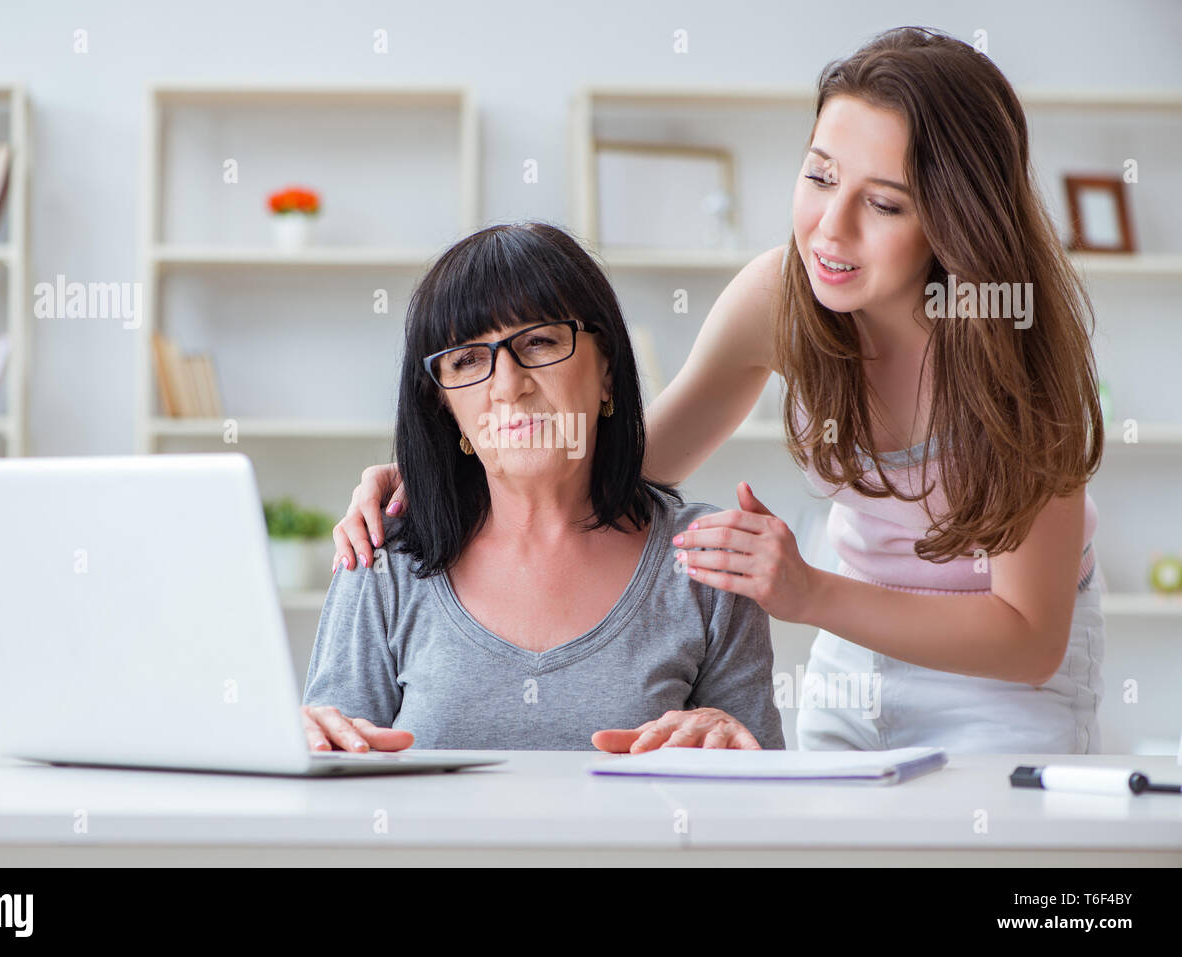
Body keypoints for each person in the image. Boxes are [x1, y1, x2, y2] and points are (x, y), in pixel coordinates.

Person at [334, 27, 1107, 754]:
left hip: (1007, 675)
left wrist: (805, 592)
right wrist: (442, 472)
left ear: (959, 217)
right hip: (860, 649)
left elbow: (1030, 639)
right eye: (819, 175)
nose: (829, 230)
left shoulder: (1016, 353)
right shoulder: (780, 297)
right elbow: (634, 461)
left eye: (883, 203)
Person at [302, 222, 784, 753]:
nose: (508, 385)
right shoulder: (381, 562)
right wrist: (301, 744)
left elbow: (760, 813)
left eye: (539, 342)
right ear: (444, 405)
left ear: (606, 370)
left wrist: (732, 743)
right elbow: (333, 790)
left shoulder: (706, 562)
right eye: (467, 360)